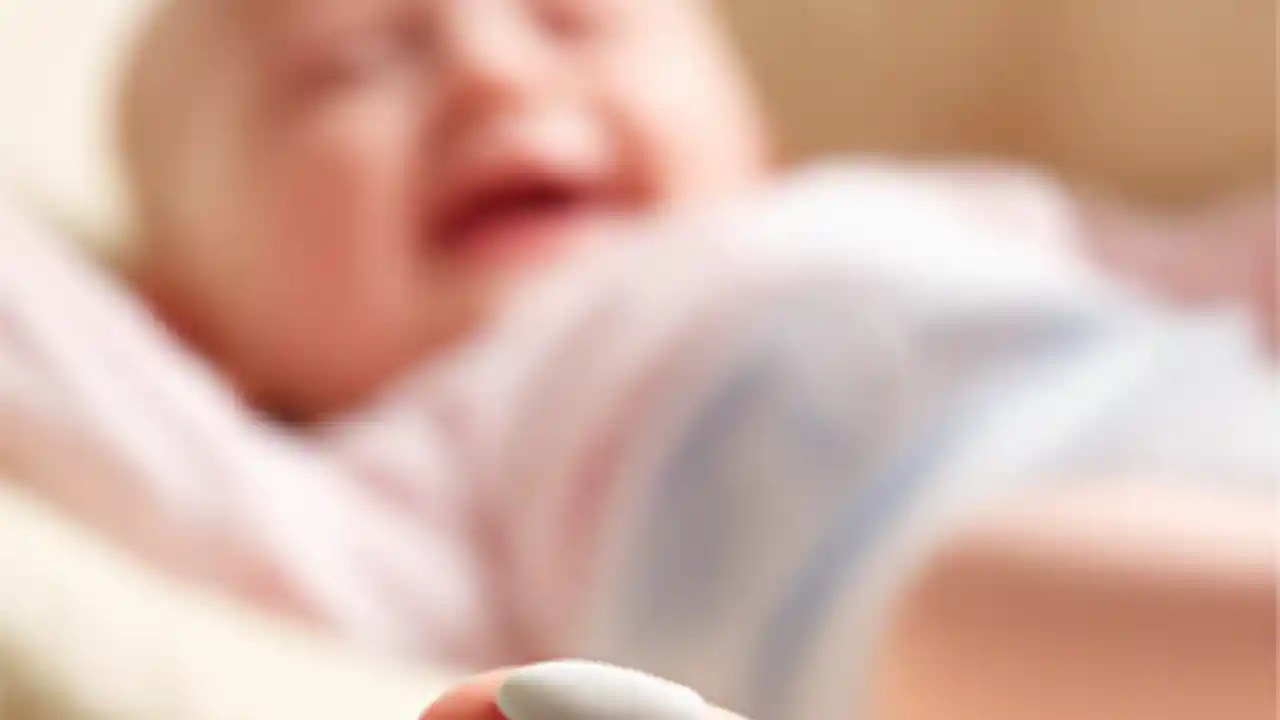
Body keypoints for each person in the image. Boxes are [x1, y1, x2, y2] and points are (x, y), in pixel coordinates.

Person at [1, 0, 1273, 717]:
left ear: (755, 136)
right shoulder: (426, 461)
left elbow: (1221, 261)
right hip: (977, 638)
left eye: (575, 22)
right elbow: (88, 401)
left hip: (1225, 433)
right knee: (975, 615)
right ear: (191, 330)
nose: (490, 74)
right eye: (353, 69)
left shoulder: (913, 208)